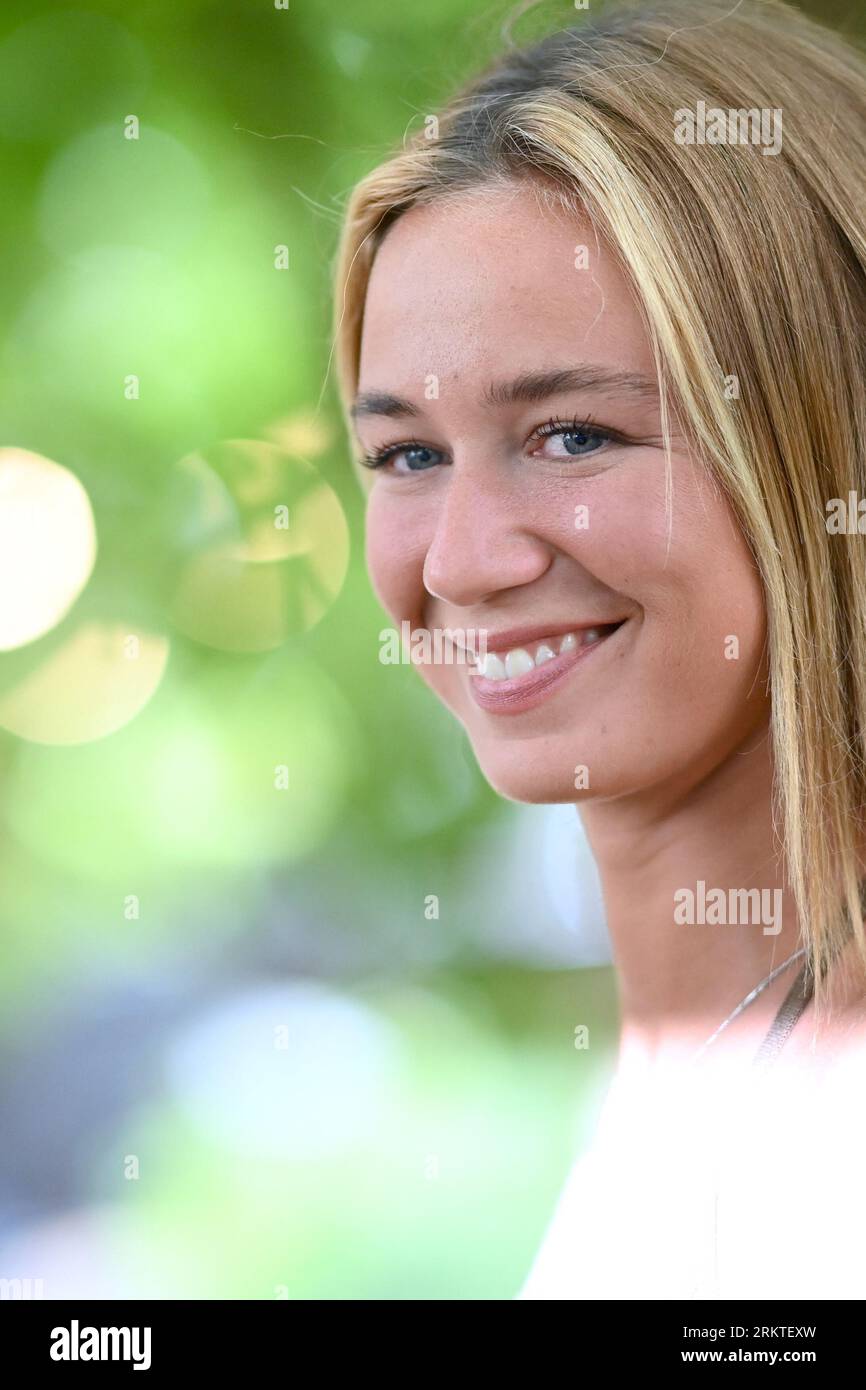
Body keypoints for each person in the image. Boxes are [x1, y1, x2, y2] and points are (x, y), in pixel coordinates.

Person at [331, 0, 866, 1297]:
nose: (460, 562)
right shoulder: (683, 1072)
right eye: (407, 454)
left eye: (573, 434)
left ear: (819, 441)